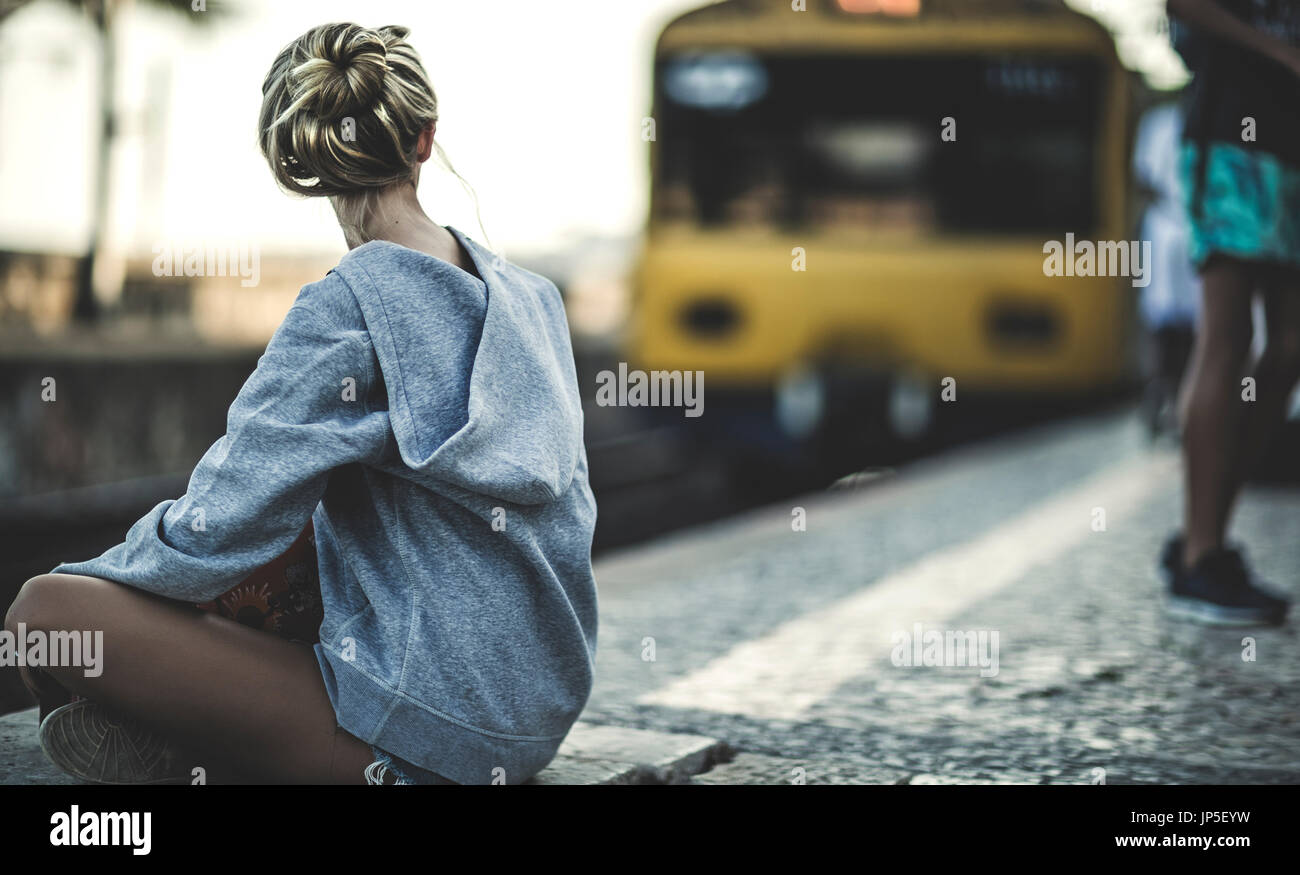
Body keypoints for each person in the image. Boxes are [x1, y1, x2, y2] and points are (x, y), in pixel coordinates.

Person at [3, 22, 598, 784]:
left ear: (304, 165)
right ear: (425, 140)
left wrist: (101, 582)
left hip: (428, 738)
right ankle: (181, 744)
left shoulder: (349, 305)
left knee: (43, 617)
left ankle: (178, 739)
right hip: (535, 717)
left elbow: (218, 525)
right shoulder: (534, 300)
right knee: (309, 529)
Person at [1160, 0, 1300, 625]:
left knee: (1292, 345)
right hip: (1233, 134)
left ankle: (1205, 534)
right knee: (1229, 336)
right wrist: (1281, 53)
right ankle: (1202, 553)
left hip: (1294, 144)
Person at [1133, 99, 1200, 439]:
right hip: (1165, 229)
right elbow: (1142, 177)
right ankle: (1160, 398)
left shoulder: (1207, 114)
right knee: (1162, 321)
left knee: (1198, 325)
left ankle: (1183, 405)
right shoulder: (1158, 121)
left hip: (1200, 226)